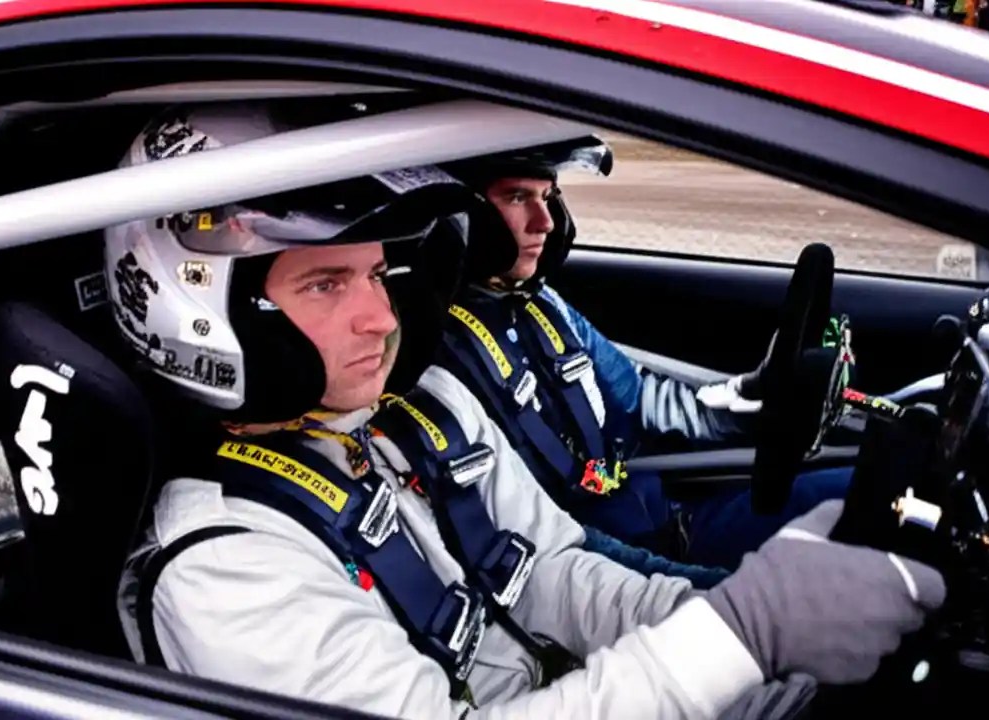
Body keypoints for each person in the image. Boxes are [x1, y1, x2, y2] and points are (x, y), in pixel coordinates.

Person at [110, 101, 945, 719]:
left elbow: (553, 571)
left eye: (376, 275)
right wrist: (738, 637)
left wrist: (737, 632)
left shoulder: (416, 410)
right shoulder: (224, 566)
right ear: (201, 307)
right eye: (326, 285)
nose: (381, 317)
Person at [436, 141, 854, 577]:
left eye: (547, 198)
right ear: (463, 211)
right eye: (518, 198)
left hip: (672, 525)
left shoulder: (543, 305)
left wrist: (750, 400)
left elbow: (641, 403)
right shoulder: (436, 357)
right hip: (610, 574)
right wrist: (702, 592)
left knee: (874, 492)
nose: (543, 223)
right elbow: (540, 541)